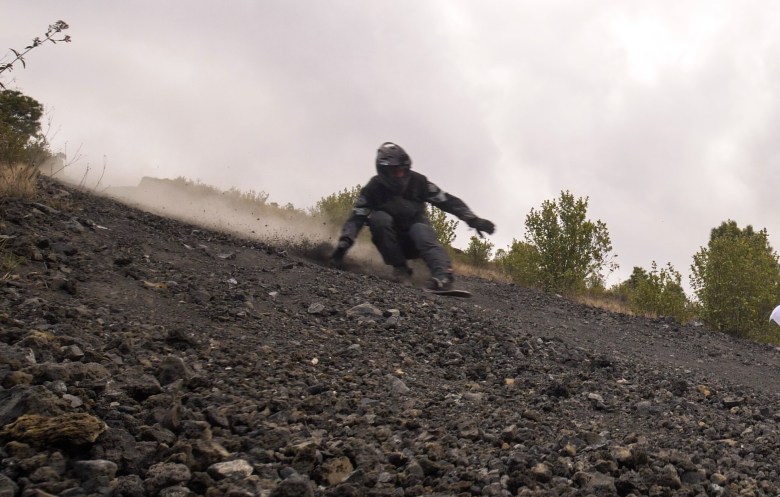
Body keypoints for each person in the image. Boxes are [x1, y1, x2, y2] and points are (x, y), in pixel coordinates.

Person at [329, 142, 495, 291]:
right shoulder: (372, 189)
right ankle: (401, 270)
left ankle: (443, 276)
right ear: (384, 171)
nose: (400, 174)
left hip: (418, 238)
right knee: (379, 219)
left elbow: (447, 200)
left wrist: (472, 219)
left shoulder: (419, 181)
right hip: (391, 242)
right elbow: (356, 218)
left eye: (403, 170)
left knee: (420, 230)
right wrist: (343, 245)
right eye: (395, 171)